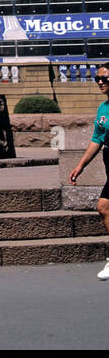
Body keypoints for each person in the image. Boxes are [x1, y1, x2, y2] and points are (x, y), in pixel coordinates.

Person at [69, 65, 109, 279]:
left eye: (105, 78)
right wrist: (80, 165)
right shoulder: (103, 108)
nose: (101, 82)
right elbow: (97, 139)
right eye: (98, 78)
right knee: (105, 208)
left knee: (104, 206)